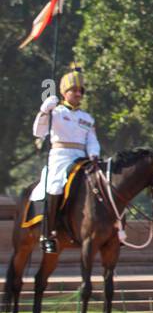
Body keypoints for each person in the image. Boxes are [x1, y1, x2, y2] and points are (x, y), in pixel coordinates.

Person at [31, 65, 101, 252]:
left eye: (80, 91)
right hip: (60, 157)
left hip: (81, 158)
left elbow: (92, 140)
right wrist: (44, 111)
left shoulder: (87, 118)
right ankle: (48, 233)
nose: (78, 94)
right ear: (64, 92)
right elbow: (38, 132)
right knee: (56, 186)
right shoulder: (56, 112)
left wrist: (94, 154)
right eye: (74, 90)